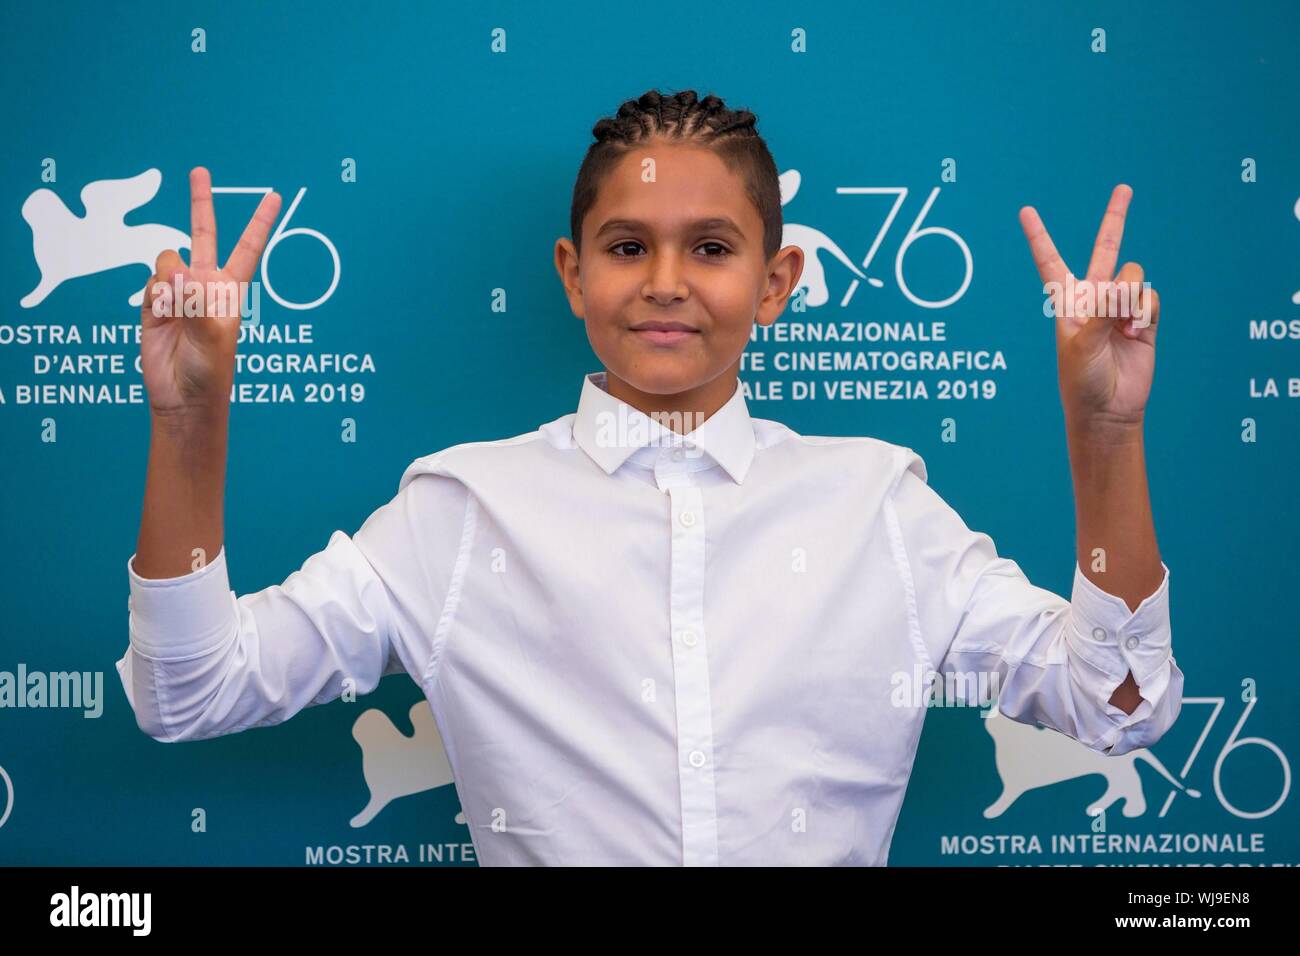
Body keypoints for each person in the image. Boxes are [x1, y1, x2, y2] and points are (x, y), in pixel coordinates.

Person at [117, 89, 1182, 866]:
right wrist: (190, 416)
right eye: (627, 246)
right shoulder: (458, 508)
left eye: (710, 248)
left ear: (775, 282)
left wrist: (1104, 434)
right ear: (572, 274)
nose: (666, 283)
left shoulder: (879, 503)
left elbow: (1117, 703)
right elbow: (189, 691)